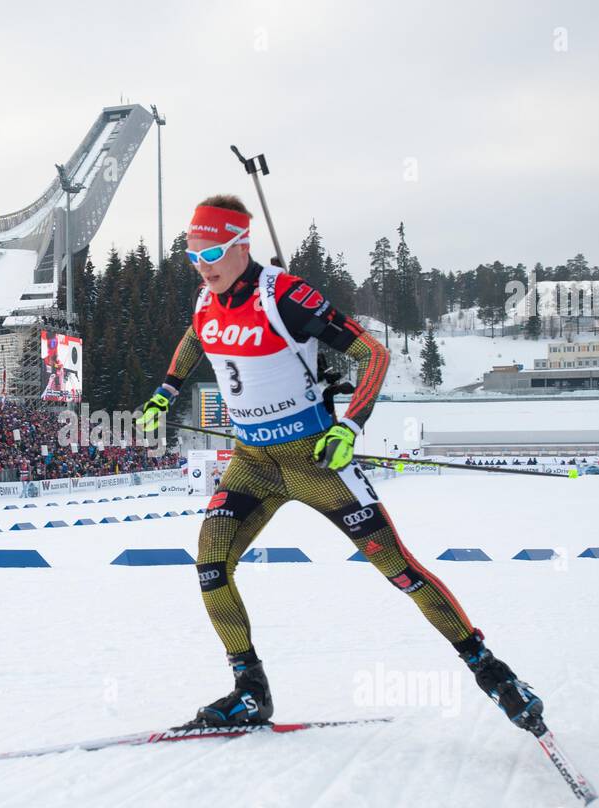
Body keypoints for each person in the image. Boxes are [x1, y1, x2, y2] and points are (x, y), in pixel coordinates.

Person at [136, 195, 543, 733]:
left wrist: (350, 426)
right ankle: (250, 691)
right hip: (253, 464)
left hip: (315, 461)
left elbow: (372, 353)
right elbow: (197, 336)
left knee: (398, 570)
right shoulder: (204, 300)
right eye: (192, 254)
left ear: (241, 244)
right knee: (210, 561)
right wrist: (166, 389)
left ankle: (492, 672)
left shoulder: (282, 295)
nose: (202, 265)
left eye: (210, 251)